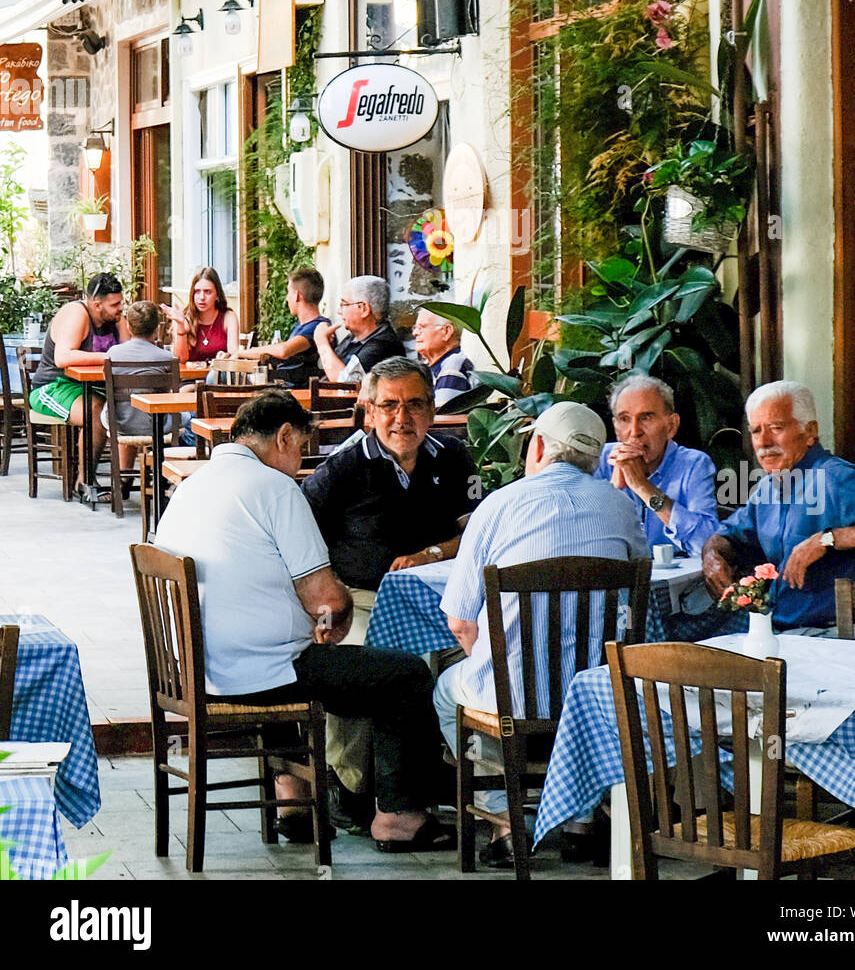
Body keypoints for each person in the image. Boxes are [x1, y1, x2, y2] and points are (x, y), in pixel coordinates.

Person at [153, 391, 454, 852]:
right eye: (300, 450)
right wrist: (337, 617)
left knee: (283, 649)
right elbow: (325, 599)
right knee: (405, 673)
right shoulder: (274, 487)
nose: (300, 463)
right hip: (258, 671)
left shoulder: (192, 485)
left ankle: (293, 800)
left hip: (197, 669)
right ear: (285, 436)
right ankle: (398, 818)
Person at [434, 401, 649, 868]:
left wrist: (494, 670)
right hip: (598, 692)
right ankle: (581, 822)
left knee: (449, 691)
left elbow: (460, 622)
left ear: (537, 447)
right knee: (591, 679)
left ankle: (506, 825)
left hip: (517, 698)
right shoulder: (619, 505)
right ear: (595, 458)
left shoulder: (499, 504)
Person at [302, 356, 476, 824]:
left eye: (415, 405)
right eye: (390, 406)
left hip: (442, 604)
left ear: (433, 408)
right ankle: (353, 784)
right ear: (370, 410)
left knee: (482, 664)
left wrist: (432, 554)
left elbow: (477, 533)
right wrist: (323, 612)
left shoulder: (455, 457)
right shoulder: (341, 469)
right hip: (359, 601)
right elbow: (302, 545)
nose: (403, 418)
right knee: (363, 665)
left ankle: (455, 784)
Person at [700, 379, 855, 634]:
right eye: (755, 431)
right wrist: (712, 554)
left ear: (810, 433)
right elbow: (731, 534)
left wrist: (828, 539)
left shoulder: (836, 478)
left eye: (776, 428)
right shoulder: (769, 486)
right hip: (774, 625)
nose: (763, 442)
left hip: (824, 633)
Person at [594, 373, 719, 556]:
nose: (634, 432)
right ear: (615, 428)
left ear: (671, 426)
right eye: (624, 419)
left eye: (646, 418)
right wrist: (615, 489)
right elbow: (587, 539)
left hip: (678, 583)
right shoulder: (600, 459)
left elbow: (708, 545)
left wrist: (643, 487)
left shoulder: (694, 464)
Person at [29, 272, 128, 482]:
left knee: (128, 407)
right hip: (53, 386)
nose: (120, 308)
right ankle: (85, 481)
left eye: (121, 302)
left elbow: (128, 351)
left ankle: (124, 482)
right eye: (114, 304)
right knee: (95, 411)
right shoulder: (77, 314)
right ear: (96, 304)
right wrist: (109, 356)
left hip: (94, 386)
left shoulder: (116, 317)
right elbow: (62, 357)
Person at [102, 300, 178, 460]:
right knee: (187, 416)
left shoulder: (112, 354)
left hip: (119, 423)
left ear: (129, 327)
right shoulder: (167, 358)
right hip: (157, 426)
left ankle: (124, 477)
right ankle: (169, 467)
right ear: (157, 328)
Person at [234, 267, 330, 388]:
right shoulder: (301, 326)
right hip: (281, 386)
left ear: (296, 296)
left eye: (288, 292)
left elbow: (284, 350)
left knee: (222, 377)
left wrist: (242, 353)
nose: (286, 298)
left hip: (293, 391)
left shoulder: (318, 326)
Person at [313, 276, 404, 384]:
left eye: (344, 304)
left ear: (364, 309)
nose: (339, 311)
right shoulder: (354, 337)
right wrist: (328, 345)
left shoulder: (383, 344)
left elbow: (345, 382)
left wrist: (322, 343)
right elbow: (322, 368)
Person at [162, 267, 239, 364]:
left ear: (217, 295)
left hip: (218, 377)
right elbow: (181, 359)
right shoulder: (183, 317)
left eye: (208, 292)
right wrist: (181, 326)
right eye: (197, 292)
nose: (202, 297)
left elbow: (234, 354)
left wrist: (227, 355)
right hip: (189, 378)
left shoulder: (228, 317)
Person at [412, 305, 475, 407]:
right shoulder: (435, 366)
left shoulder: (453, 365)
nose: (415, 333)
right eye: (415, 328)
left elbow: (442, 416)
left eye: (422, 327)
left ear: (447, 331)